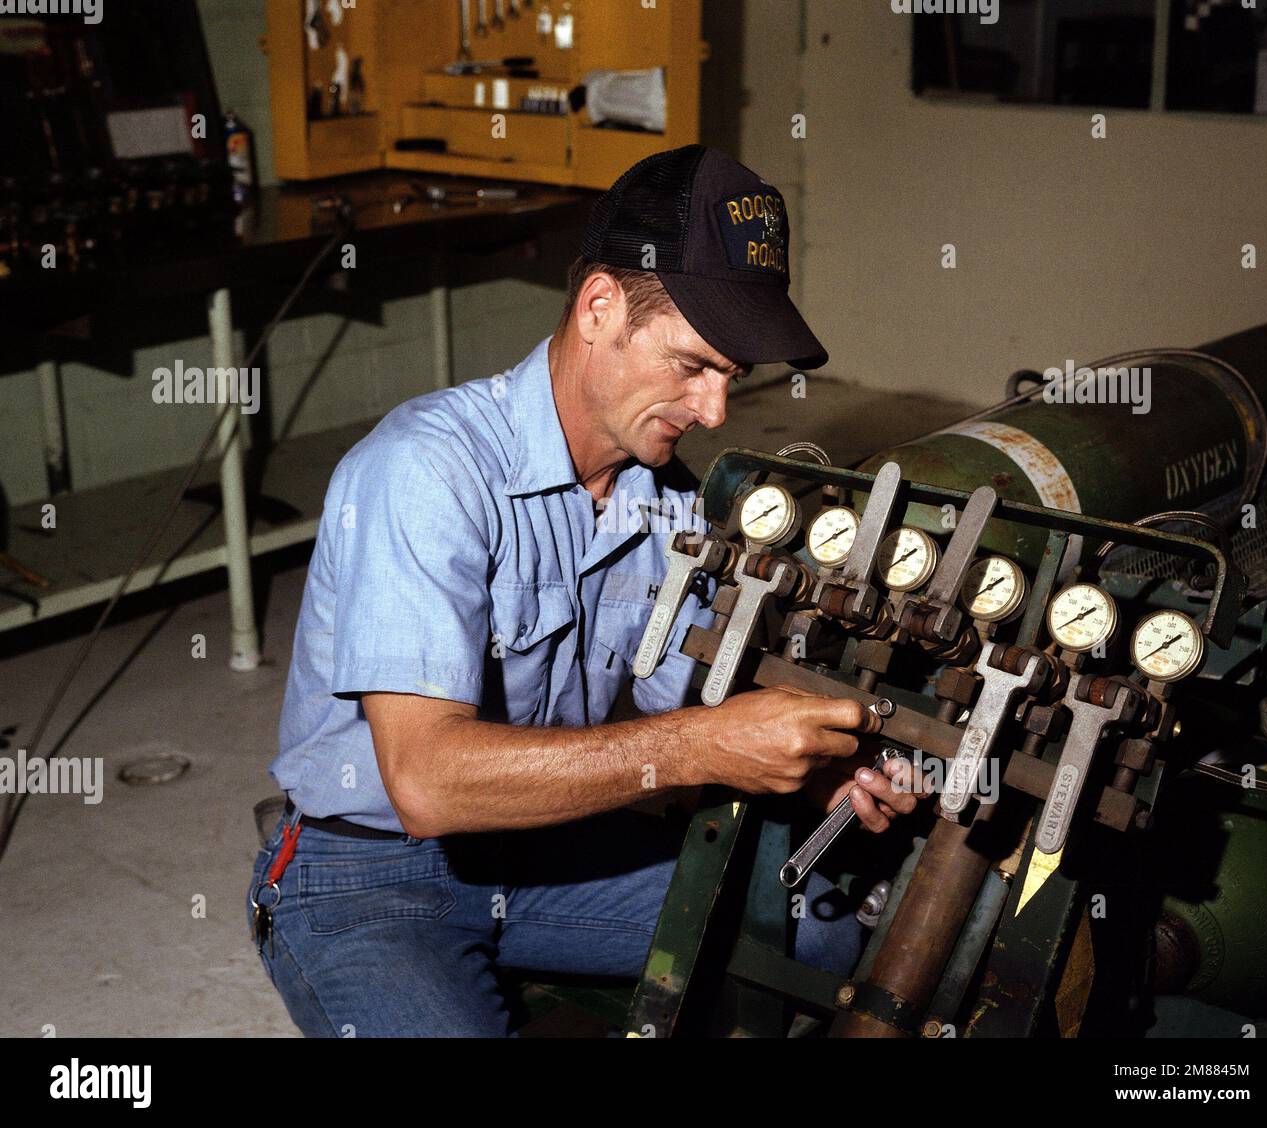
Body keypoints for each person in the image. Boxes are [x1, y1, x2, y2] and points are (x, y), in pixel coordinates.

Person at [248, 145, 923, 1036]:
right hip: (366, 871)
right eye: (693, 365)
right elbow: (428, 782)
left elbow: (672, 711)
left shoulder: (673, 503)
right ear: (601, 306)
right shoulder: (425, 472)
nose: (715, 411)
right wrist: (710, 748)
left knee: (824, 937)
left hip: (546, 844)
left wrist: (809, 767)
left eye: (733, 377)